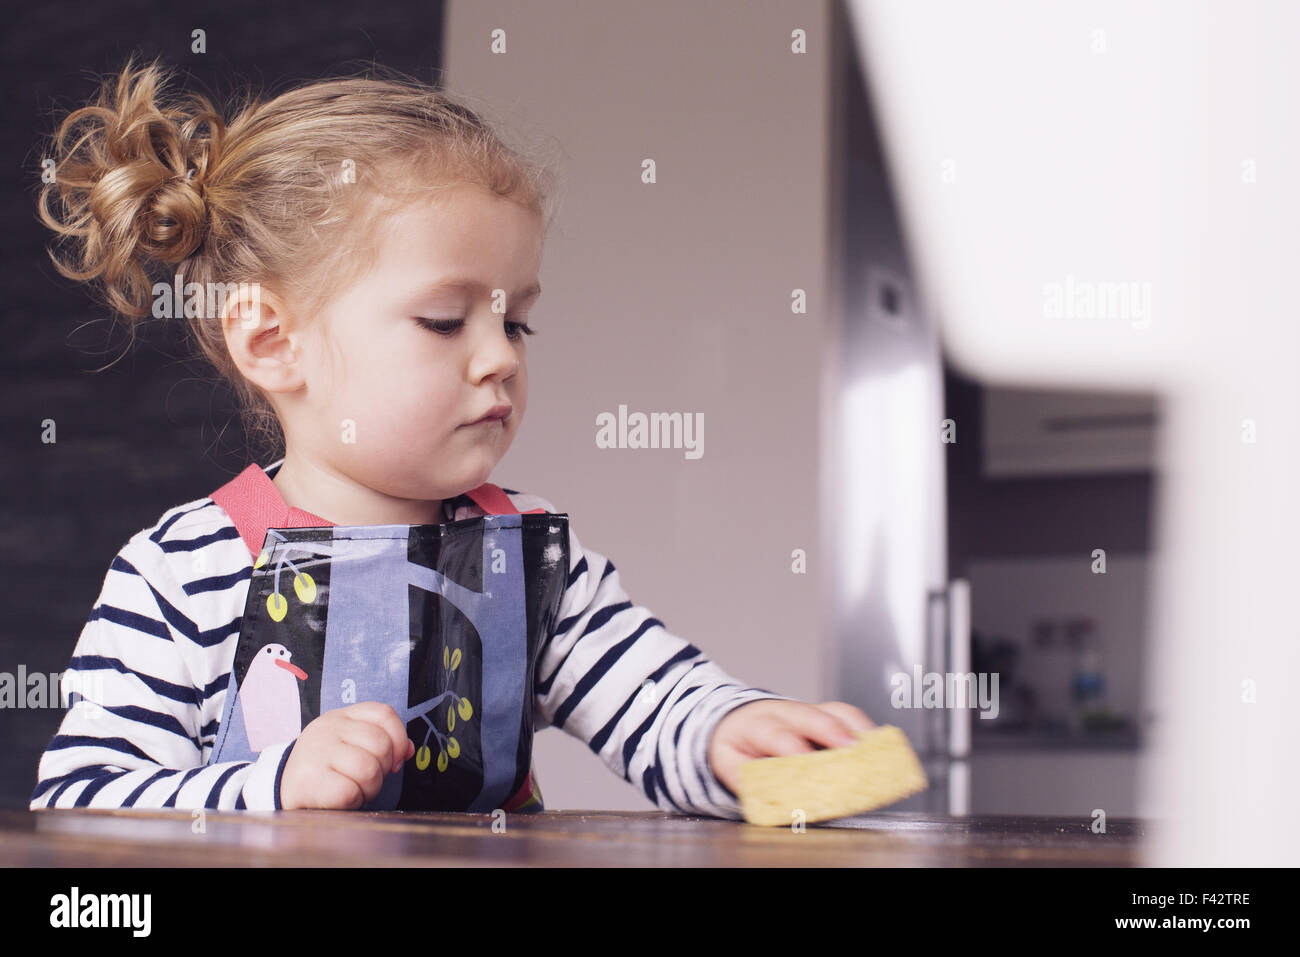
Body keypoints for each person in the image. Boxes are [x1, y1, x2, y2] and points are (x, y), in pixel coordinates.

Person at [29, 58, 874, 816]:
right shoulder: (178, 575)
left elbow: (655, 706)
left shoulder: (536, 563)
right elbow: (83, 803)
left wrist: (731, 730)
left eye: (519, 325)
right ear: (272, 342)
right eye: (444, 321)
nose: (499, 358)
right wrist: (273, 784)